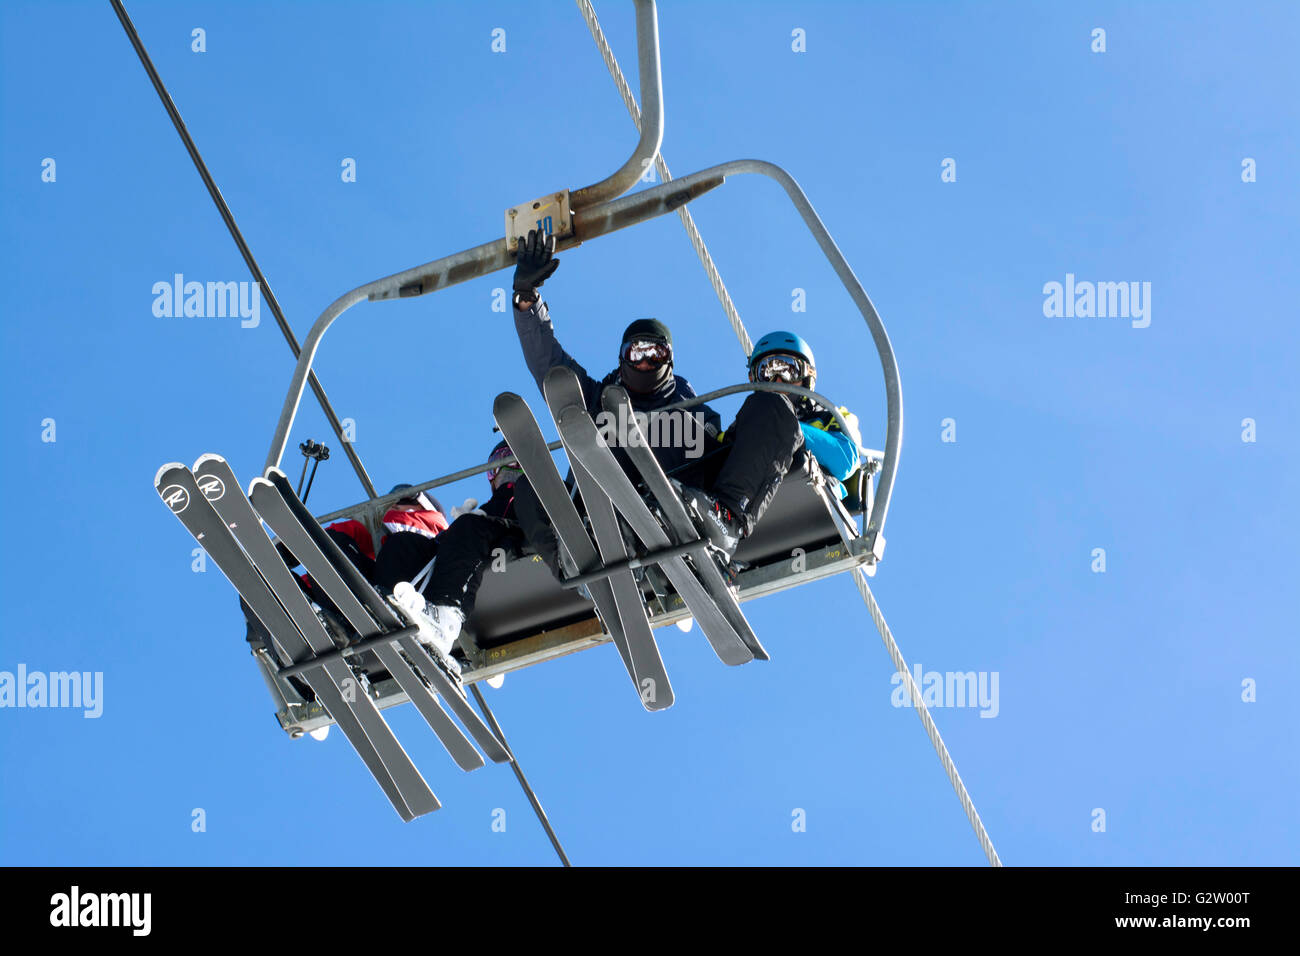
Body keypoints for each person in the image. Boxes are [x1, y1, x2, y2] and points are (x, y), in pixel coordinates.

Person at [508, 229, 861, 573]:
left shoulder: (697, 411)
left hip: (681, 499)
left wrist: (789, 427)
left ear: (669, 359)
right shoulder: (599, 398)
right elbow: (549, 366)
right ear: (622, 358)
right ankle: (572, 553)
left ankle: (723, 519)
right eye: (636, 351)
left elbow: (842, 457)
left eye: (655, 351)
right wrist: (527, 299)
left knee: (763, 409)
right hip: (605, 506)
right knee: (528, 485)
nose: (645, 360)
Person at [387, 440, 527, 655]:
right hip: (484, 541)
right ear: (491, 477)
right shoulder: (490, 506)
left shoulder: (535, 491)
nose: (509, 465)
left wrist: (472, 521)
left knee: (467, 526)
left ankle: (447, 617)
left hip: (517, 541)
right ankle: (391, 616)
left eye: (513, 457)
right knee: (404, 543)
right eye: (498, 462)